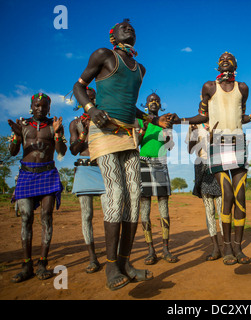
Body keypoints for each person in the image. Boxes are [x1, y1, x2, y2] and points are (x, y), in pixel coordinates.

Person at [72, 19, 171, 290]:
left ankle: (126, 262)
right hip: (103, 132)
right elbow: (78, 87)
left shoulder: (140, 69)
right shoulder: (104, 55)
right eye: (122, 27)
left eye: (133, 27)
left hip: (128, 135)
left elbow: (130, 106)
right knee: (115, 195)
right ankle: (111, 266)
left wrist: (154, 120)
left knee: (135, 196)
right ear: (112, 34)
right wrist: (92, 110)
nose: (129, 28)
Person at [172, 52, 251, 265]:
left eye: (229, 57)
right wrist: (180, 120)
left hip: (238, 142)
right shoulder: (209, 87)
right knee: (227, 195)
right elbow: (204, 116)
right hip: (217, 143)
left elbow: (241, 116)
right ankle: (226, 247)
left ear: (236, 64)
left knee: (241, 196)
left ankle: (238, 247)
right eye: (221, 58)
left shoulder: (243, 88)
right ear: (217, 66)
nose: (225, 59)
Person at [8, 92, 67, 282]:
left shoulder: (54, 125)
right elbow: (13, 151)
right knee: (26, 217)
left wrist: (57, 133)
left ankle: (42, 262)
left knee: (46, 217)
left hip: (48, 174)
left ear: (49, 108)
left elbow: (61, 152)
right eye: (37, 105)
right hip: (26, 174)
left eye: (44, 106)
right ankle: (26, 265)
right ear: (31, 106)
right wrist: (17, 136)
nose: (40, 109)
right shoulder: (23, 125)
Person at [69, 87, 106, 273]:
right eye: (85, 100)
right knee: (87, 216)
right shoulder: (75, 123)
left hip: (104, 168)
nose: (88, 102)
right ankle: (92, 258)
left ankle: (112, 256)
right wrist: (83, 133)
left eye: (91, 99)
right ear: (80, 101)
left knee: (111, 214)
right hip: (84, 169)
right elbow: (74, 150)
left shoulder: (103, 118)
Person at [138, 93, 177, 265]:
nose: (154, 102)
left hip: (161, 164)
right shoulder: (141, 120)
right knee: (145, 209)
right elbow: (136, 143)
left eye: (157, 100)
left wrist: (168, 131)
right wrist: (144, 128)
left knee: (164, 208)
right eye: (150, 100)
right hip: (143, 164)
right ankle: (150, 250)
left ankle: (166, 249)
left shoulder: (166, 121)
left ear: (161, 105)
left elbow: (170, 146)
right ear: (146, 105)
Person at [186, 122, 223, 261]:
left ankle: (226, 246)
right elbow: (191, 150)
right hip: (202, 164)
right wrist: (194, 134)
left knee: (222, 209)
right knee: (209, 210)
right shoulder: (194, 126)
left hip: (218, 164)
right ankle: (215, 247)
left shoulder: (219, 120)